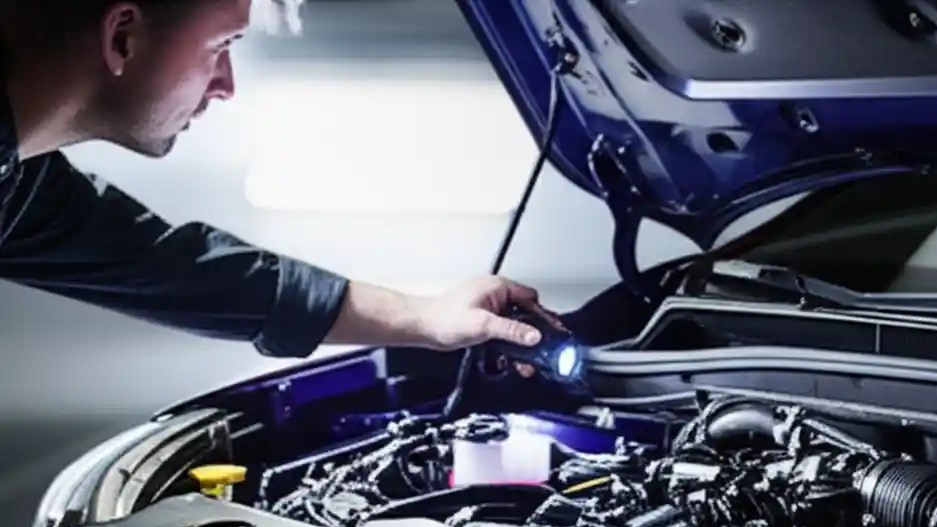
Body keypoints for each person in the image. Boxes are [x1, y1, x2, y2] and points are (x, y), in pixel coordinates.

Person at [0, 0, 553, 361]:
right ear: (122, 36)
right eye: (222, 46)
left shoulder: (19, 189)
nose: (226, 85)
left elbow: (167, 265)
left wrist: (426, 317)